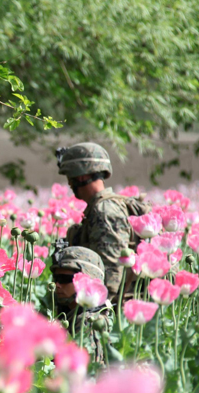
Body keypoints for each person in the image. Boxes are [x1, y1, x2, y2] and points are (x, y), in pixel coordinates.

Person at [58, 142, 145, 300]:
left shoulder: (105, 211)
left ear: (82, 176)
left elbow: (111, 273)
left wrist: (97, 312)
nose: (69, 183)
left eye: (70, 177)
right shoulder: (103, 207)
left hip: (121, 307)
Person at [49, 246, 112, 357]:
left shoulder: (89, 321)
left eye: (64, 279)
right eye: (56, 278)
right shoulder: (71, 313)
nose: (57, 285)